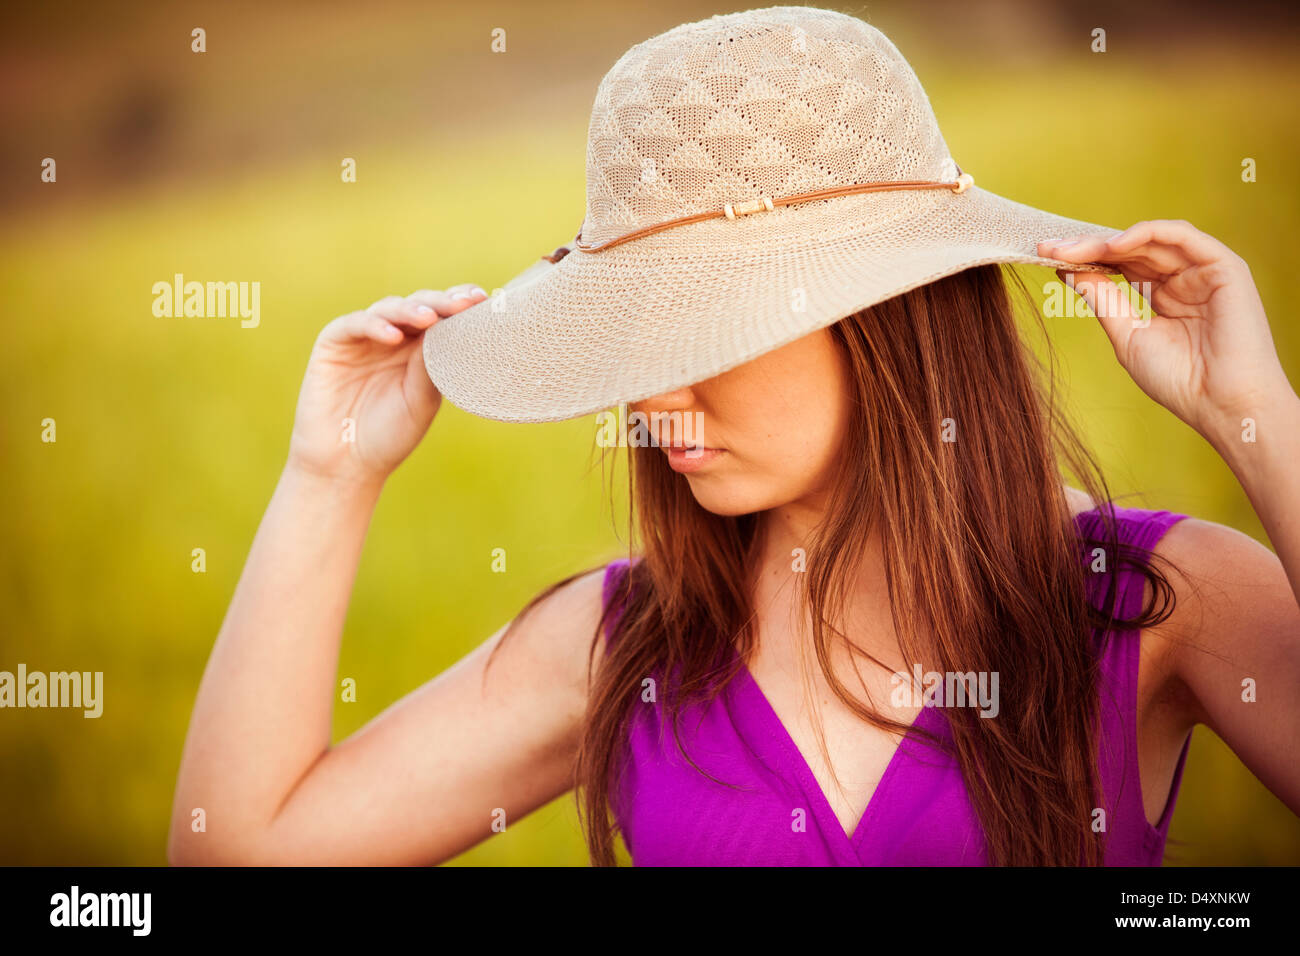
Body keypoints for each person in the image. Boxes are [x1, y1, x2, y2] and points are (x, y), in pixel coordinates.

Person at [168, 6, 1300, 866]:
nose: (650, 394)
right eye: (634, 334)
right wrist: (331, 470)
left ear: (881, 317)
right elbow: (239, 847)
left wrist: (1254, 418)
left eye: (705, 327)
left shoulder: (1152, 605)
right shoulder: (626, 648)